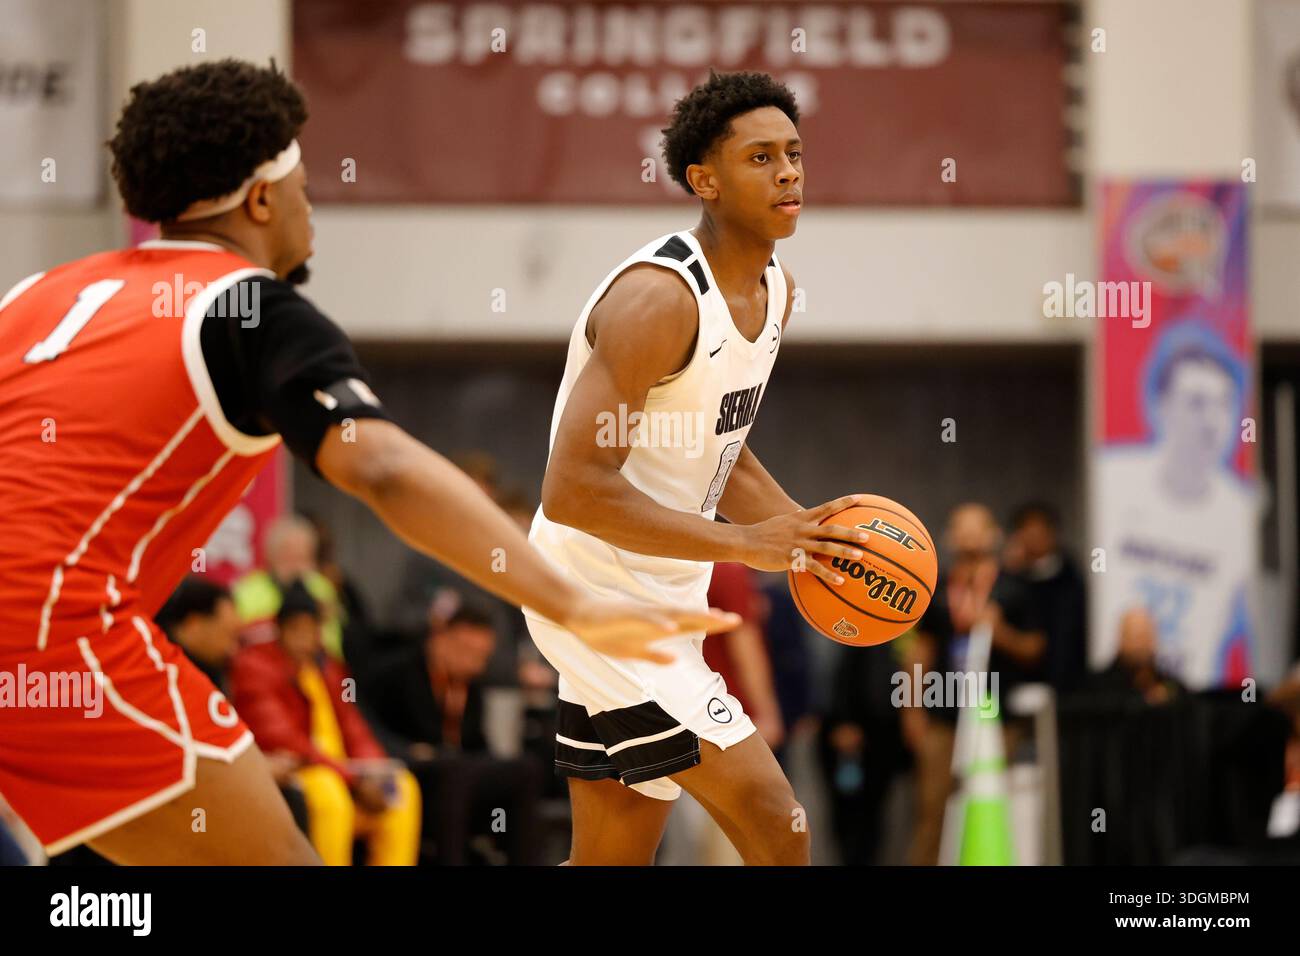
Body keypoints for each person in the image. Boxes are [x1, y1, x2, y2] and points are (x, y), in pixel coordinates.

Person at [0, 59, 736, 865]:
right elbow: (379, 467)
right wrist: (573, 602)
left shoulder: (33, 298)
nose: (312, 209)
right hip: (47, 633)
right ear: (261, 198)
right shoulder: (248, 308)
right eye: (306, 187)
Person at [524, 70, 874, 866]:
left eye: (794, 153)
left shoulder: (776, 292)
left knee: (612, 855)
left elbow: (721, 438)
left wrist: (806, 532)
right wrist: (747, 546)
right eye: (760, 158)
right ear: (703, 181)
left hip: (664, 594)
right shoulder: (660, 300)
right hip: (592, 591)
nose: (788, 172)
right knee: (776, 820)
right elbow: (571, 489)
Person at [231, 580, 417, 865]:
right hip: (297, 770)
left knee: (402, 788)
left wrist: (373, 770)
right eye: (298, 629)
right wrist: (353, 778)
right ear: (281, 629)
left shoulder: (327, 668)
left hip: (342, 772)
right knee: (330, 795)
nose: (305, 639)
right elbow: (284, 739)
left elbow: (355, 728)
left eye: (312, 629)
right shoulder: (255, 666)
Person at [904, 503, 1045, 865]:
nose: (968, 535)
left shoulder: (1015, 588)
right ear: (950, 537)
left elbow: (1035, 648)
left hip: (998, 716)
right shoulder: (933, 590)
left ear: (994, 534)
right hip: (943, 712)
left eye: (976, 527)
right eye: (960, 527)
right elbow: (920, 650)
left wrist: (1001, 634)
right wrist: (912, 708)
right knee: (933, 808)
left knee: (995, 800)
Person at [1004, 501, 1087, 693]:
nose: (1033, 539)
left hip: (1063, 677)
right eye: (1026, 532)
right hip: (1014, 682)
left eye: (1038, 532)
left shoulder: (1069, 579)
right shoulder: (1010, 580)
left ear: (1052, 534)